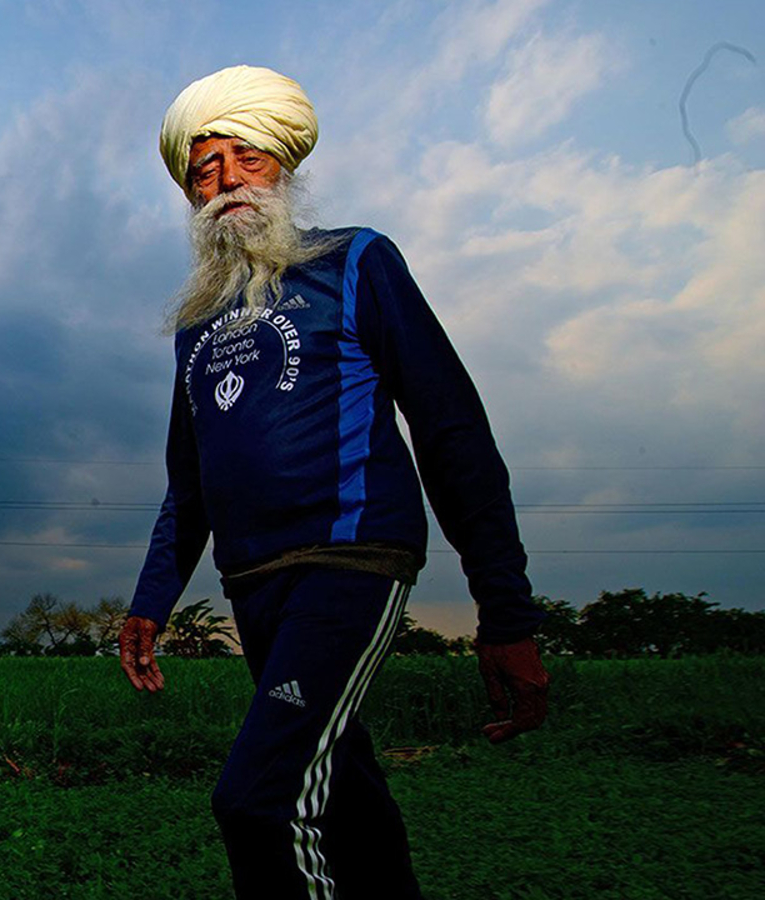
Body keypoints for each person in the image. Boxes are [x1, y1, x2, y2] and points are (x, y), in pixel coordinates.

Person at [117, 65, 550, 900]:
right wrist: (149, 600)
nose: (225, 182)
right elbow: (190, 484)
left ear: (282, 164)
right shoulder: (197, 322)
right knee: (344, 791)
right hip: (253, 583)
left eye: (244, 156)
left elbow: (452, 428)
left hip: (350, 560)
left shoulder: (354, 261)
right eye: (202, 170)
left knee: (261, 803)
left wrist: (505, 608)